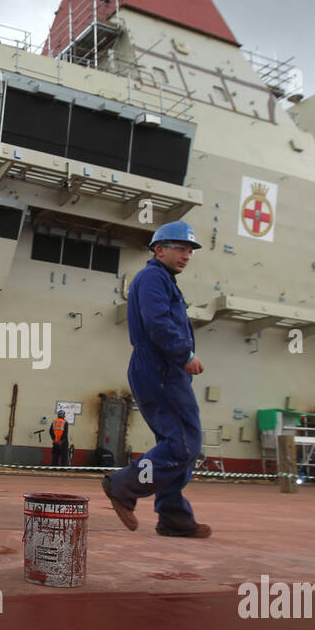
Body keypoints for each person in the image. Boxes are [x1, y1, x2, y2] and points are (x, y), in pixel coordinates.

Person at [99, 221, 212, 537]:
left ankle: (173, 515)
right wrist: (184, 354)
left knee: (177, 444)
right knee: (183, 445)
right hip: (160, 368)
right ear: (159, 249)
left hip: (162, 370)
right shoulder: (153, 278)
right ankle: (124, 485)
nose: (187, 255)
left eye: (190, 250)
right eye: (181, 248)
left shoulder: (163, 280)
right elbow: (157, 322)